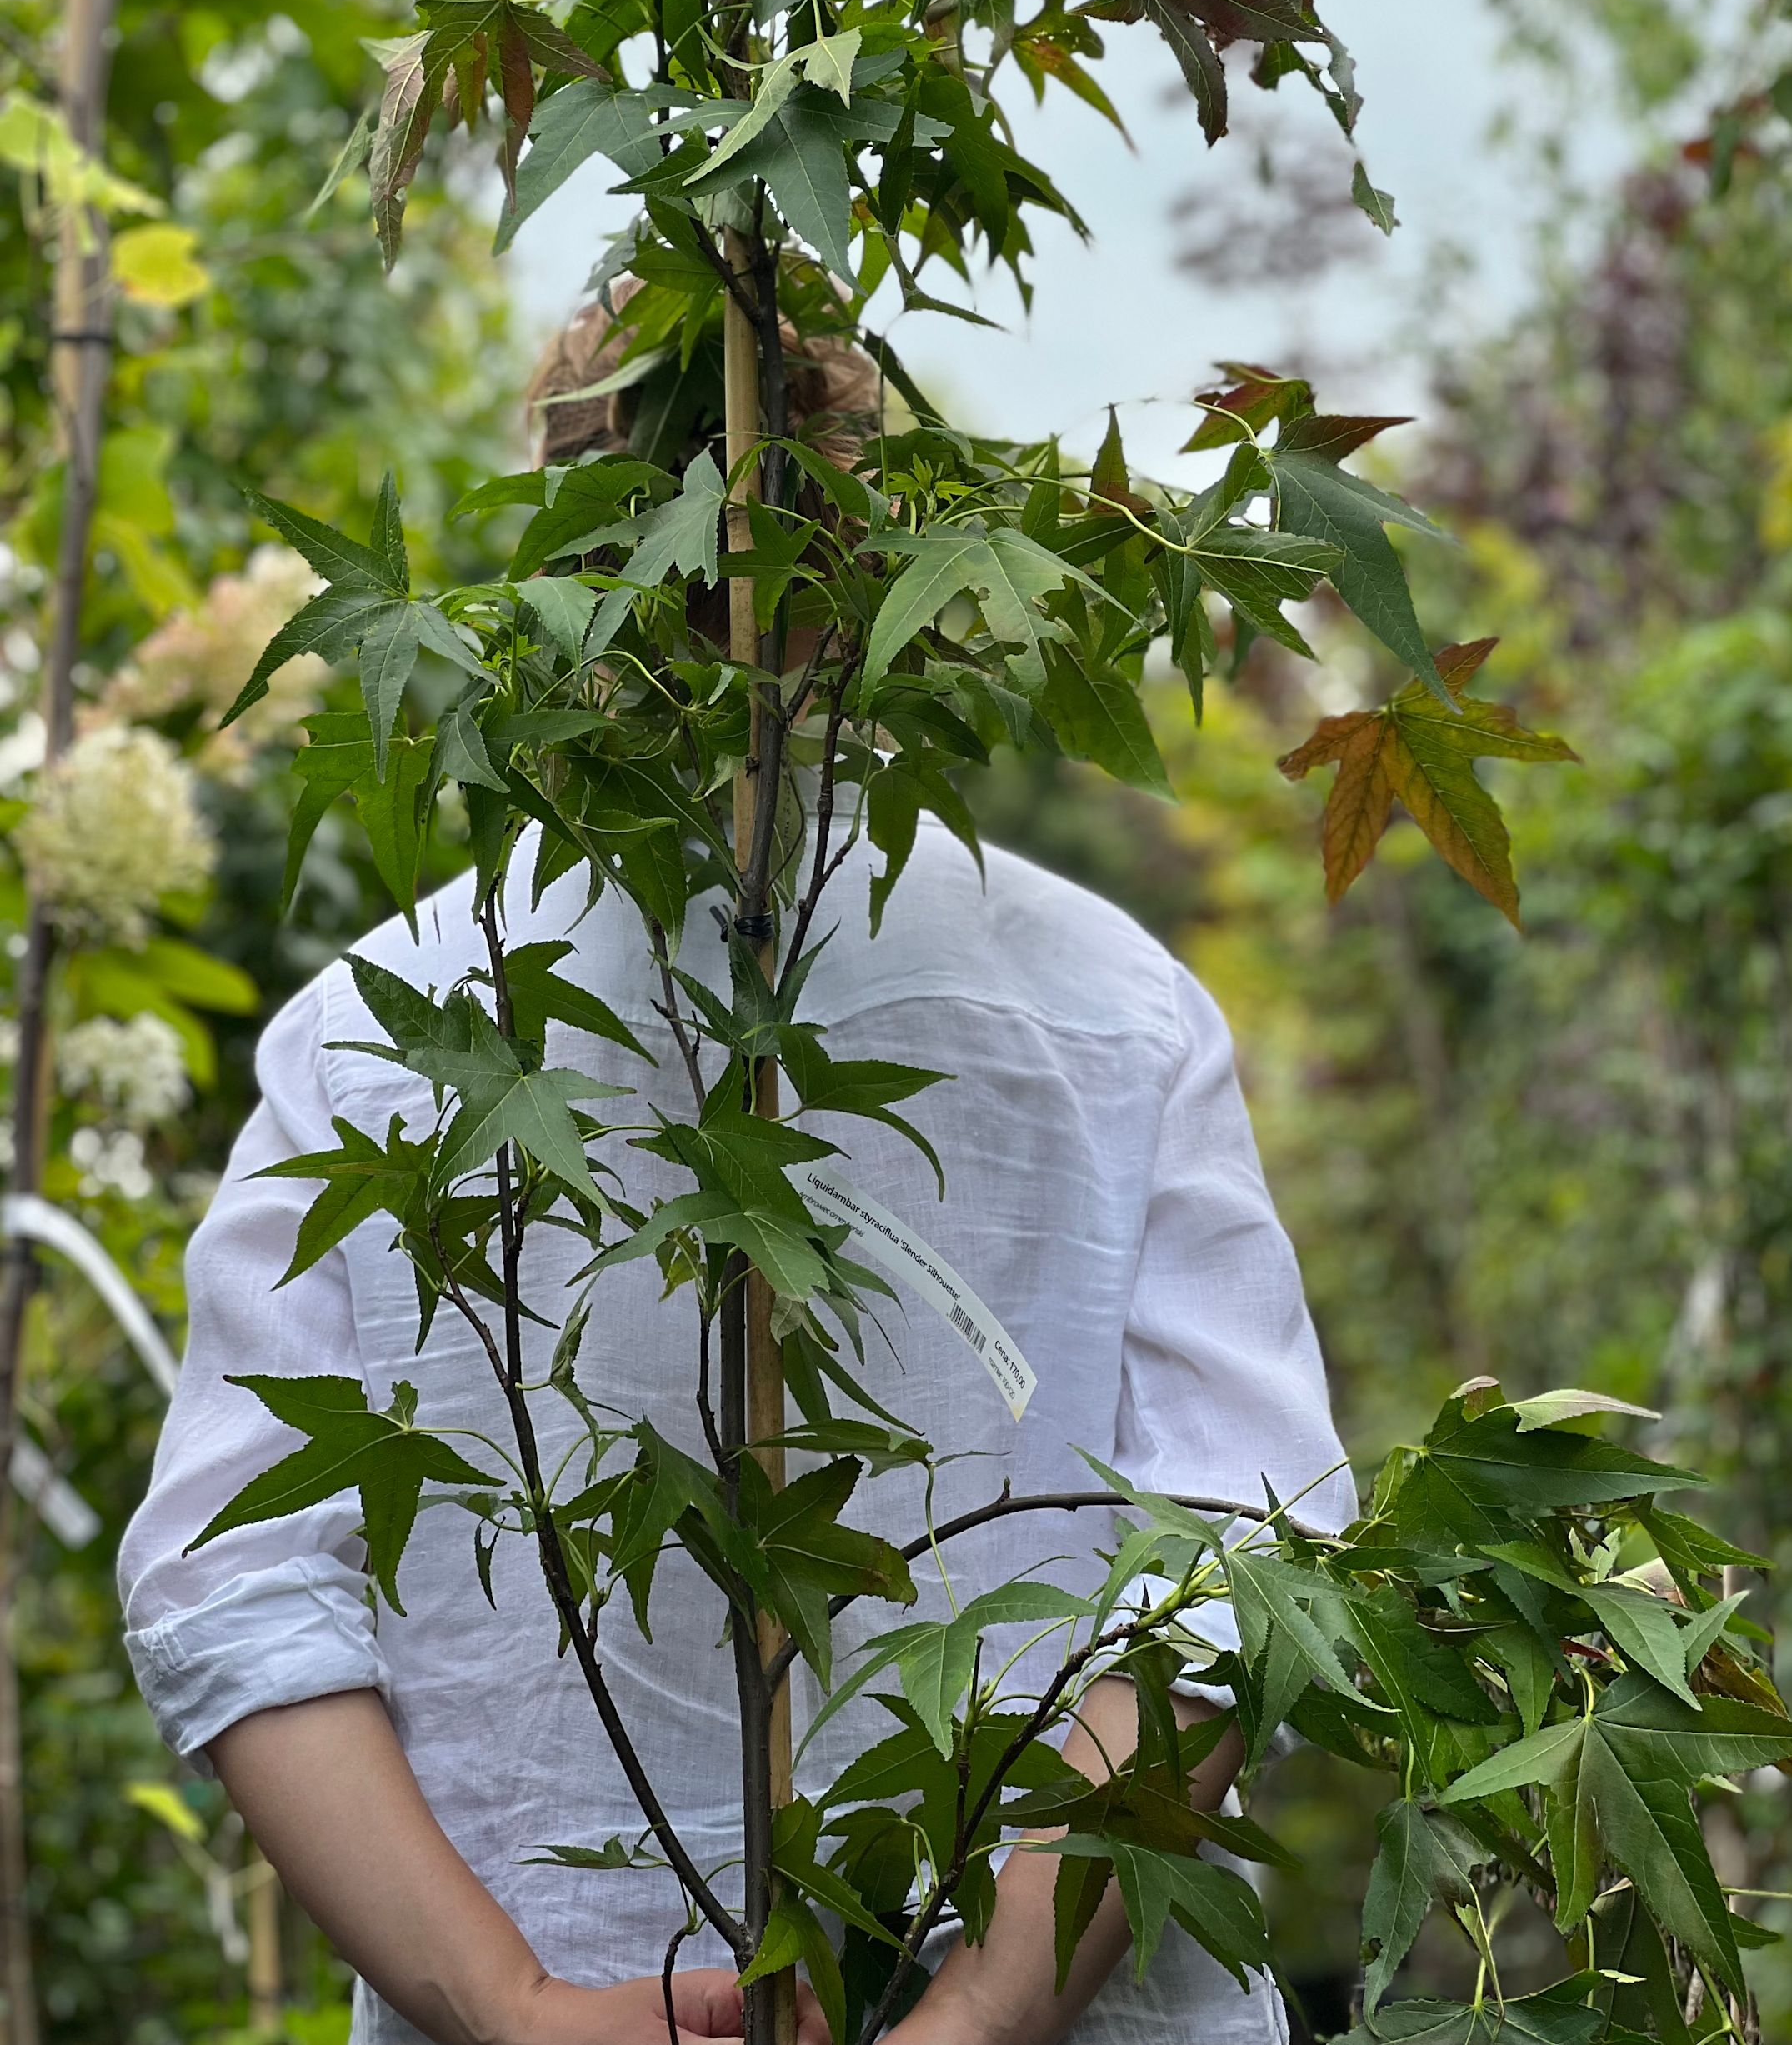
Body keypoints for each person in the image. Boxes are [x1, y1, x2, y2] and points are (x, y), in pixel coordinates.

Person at [119, 307, 1356, 2045]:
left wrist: (519, 2008)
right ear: (878, 550)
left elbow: (229, 1594)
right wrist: (984, 2015)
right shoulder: (1110, 1007)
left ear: (559, 545)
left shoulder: (375, 1033)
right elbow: (1241, 1575)